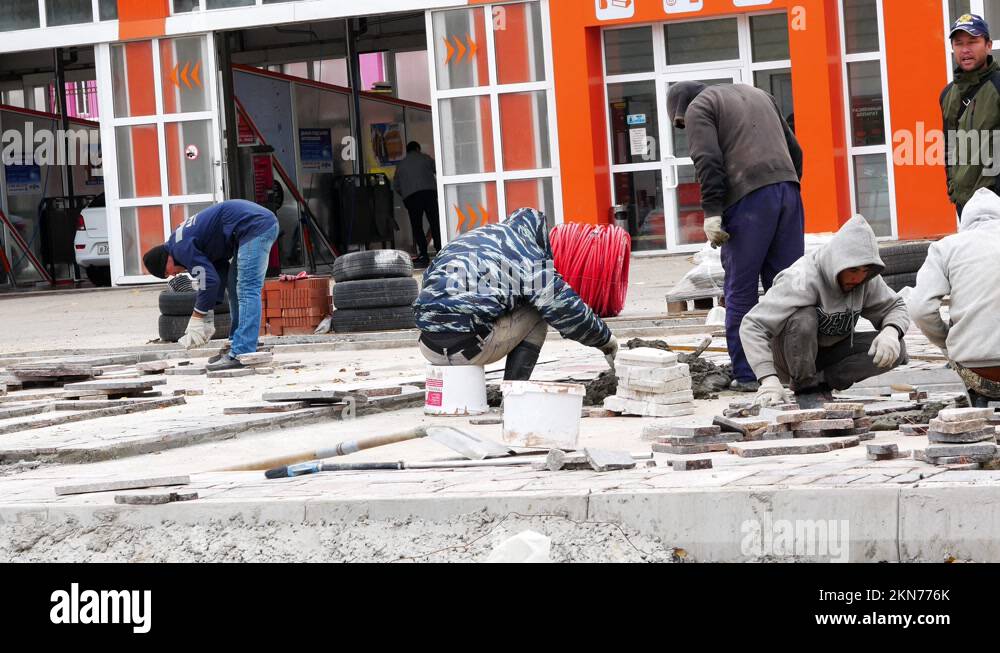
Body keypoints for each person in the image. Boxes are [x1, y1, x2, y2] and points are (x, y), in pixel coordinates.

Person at [667, 81, 805, 393]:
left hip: (748, 200)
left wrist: (712, 210)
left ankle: (747, 373)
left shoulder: (699, 106)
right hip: (788, 191)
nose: (684, 125)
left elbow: (707, 159)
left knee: (740, 290)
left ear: (681, 107)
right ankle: (796, 369)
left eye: (681, 123)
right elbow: (796, 149)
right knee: (789, 287)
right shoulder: (761, 95)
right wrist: (787, 190)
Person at [412, 207, 618, 381]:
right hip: (470, 350)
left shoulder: (467, 241)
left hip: (429, 346)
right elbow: (563, 308)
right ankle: (514, 393)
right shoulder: (526, 250)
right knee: (539, 309)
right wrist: (605, 340)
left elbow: (431, 290)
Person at [740, 216, 910, 408]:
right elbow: (752, 325)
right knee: (803, 318)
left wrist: (891, 331)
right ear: (838, 262)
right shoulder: (802, 277)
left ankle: (822, 383)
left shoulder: (865, 279)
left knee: (898, 349)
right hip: (791, 356)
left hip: (828, 353)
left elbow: (895, 307)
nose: (858, 277)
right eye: (853, 270)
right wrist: (768, 379)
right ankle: (805, 388)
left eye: (865, 270)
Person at [143, 200, 279, 371]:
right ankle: (235, 344)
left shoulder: (180, 249)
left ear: (165, 260)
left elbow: (208, 280)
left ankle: (242, 351)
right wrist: (207, 313)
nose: (174, 275)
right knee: (234, 286)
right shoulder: (179, 242)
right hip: (249, 227)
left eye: (167, 272)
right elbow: (217, 272)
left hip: (255, 226)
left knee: (246, 289)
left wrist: (197, 317)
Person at [909, 188, 1000, 407]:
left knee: (958, 319)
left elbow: (919, 309)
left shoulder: (946, 247)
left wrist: (946, 342)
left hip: (978, 372)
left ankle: (980, 399)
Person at [941, 14, 1000, 217]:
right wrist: (953, 189)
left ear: (988, 45)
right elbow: (949, 144)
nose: (965, 49)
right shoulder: (947, 95)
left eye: (973, 42)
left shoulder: (998, 86)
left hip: (995, 203)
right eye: (959, 43)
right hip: (965, 207)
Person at [393, 141, 441, 268]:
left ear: (407, 151)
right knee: (435, 222)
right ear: (417, 149)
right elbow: (439, 171)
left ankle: (423, 256)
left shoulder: (401, 164)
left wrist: (405, 195)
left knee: (417, 227)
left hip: (412, 197)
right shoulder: (425, 158)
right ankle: (440, 251)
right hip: (428, 193)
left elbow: (396, 185)